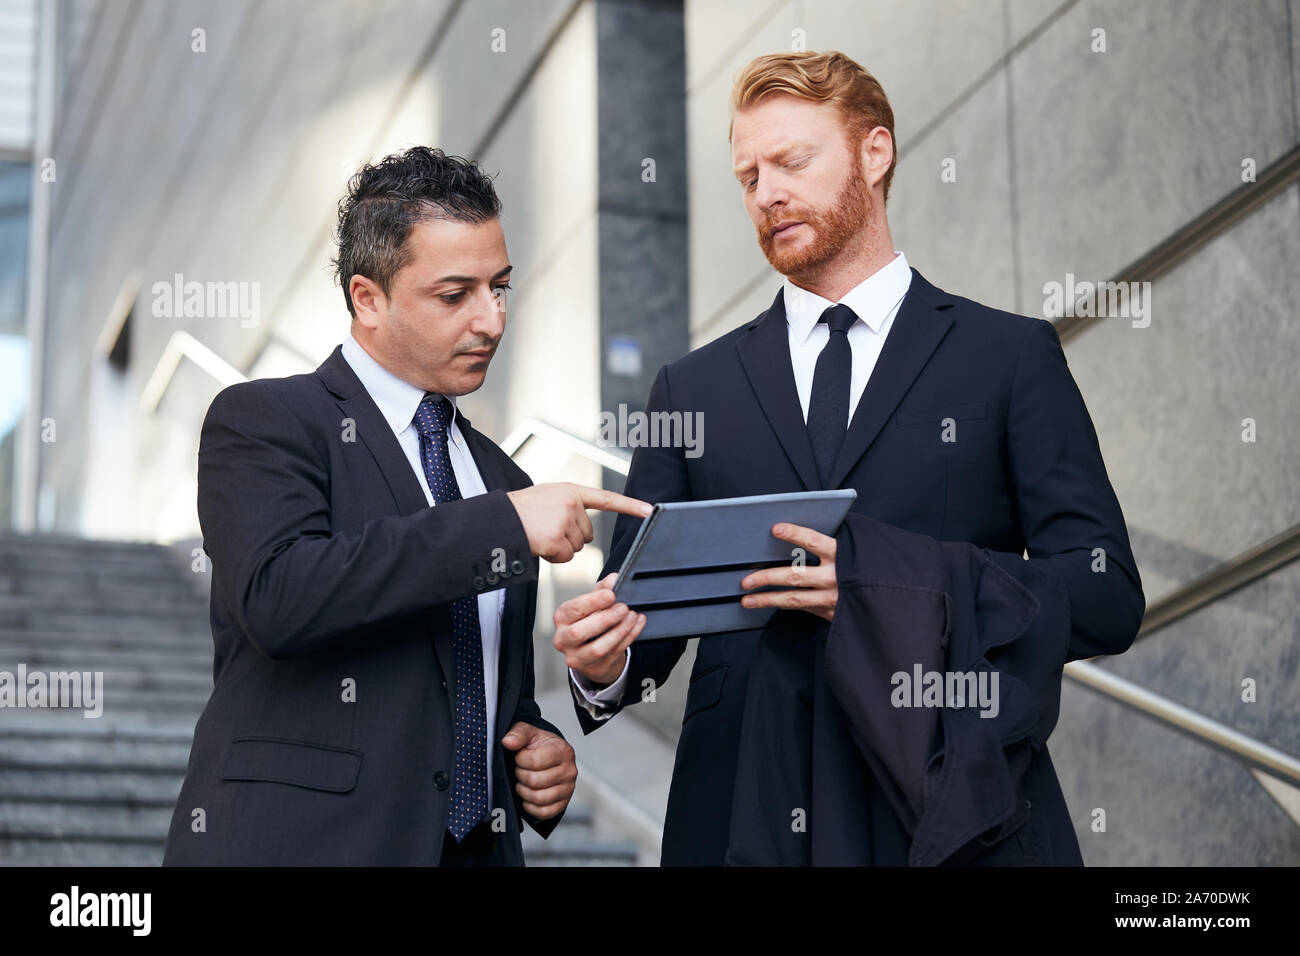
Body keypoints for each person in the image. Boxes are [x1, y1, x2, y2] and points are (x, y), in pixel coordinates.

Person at [554, 52, 1144, 865]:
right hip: (740, 816)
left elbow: (1107, 592)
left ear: (876, 152)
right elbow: (647, 616)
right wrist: (605, 661)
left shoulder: (1007, 356)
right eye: (748, 176)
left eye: (792, 162)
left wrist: (890, 588)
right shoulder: (689, 385)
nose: (767, 193)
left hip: (944, 806)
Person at [163, 146, 651, 866]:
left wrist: (536, 746)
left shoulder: (503, 477)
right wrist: (504, 524)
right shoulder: (266, 420)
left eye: (502, 286)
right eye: (456, 295)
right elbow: (279, 598)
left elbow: (481, 688)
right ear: (368, 298)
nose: (491, 320)